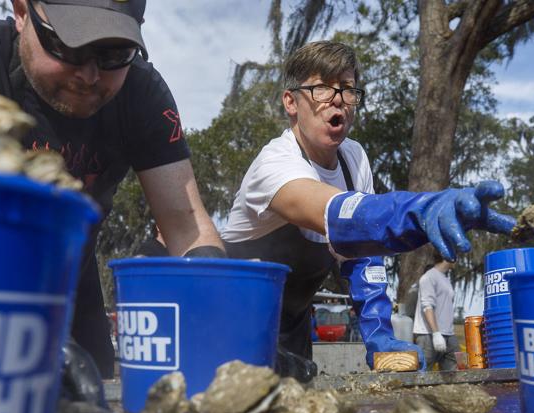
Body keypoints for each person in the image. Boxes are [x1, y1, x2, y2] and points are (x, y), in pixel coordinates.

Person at [0, 0, 224, 378]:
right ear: (23, 12)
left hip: (73, 284)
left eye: (114, 53)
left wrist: (225, 313)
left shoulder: (141, 93)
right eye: (67, 46)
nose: (89, 75)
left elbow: (186, 224)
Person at [221, 40, 517, 377]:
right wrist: (417, 209)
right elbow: (333, 214)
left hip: (293, 325)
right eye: (321, 88)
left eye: (347, 90)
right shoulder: (275, 163)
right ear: (291, 101)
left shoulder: (353, 157)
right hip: (234, 323)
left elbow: (360, 252)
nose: (337, 100)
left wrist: (379, 333)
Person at [412, 249, 459, 370]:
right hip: (428, 335)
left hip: (448, 335)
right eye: (455, 254)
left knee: (454, 378)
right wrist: (436, 334)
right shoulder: (428, 278)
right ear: (448, 255)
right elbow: (427, 307)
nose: (457, 258)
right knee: (423, 377)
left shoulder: (445, 279)